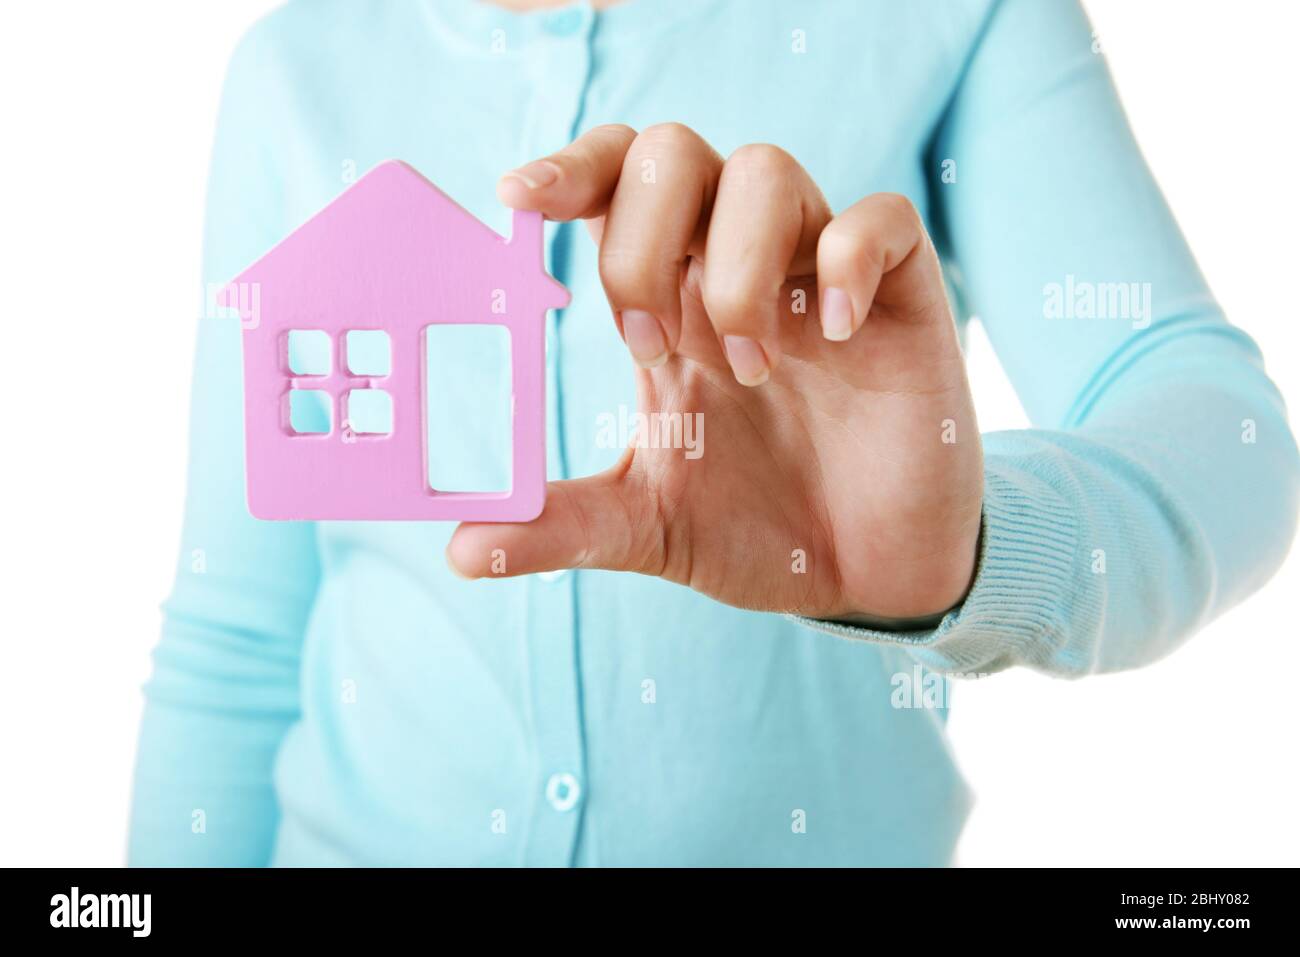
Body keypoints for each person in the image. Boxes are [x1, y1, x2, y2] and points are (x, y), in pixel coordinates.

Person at [129, 0, 1299, 866]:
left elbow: (1221, 429)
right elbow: (237, 638)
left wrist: (973, 552)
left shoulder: (959, 16)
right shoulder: (291, 69)